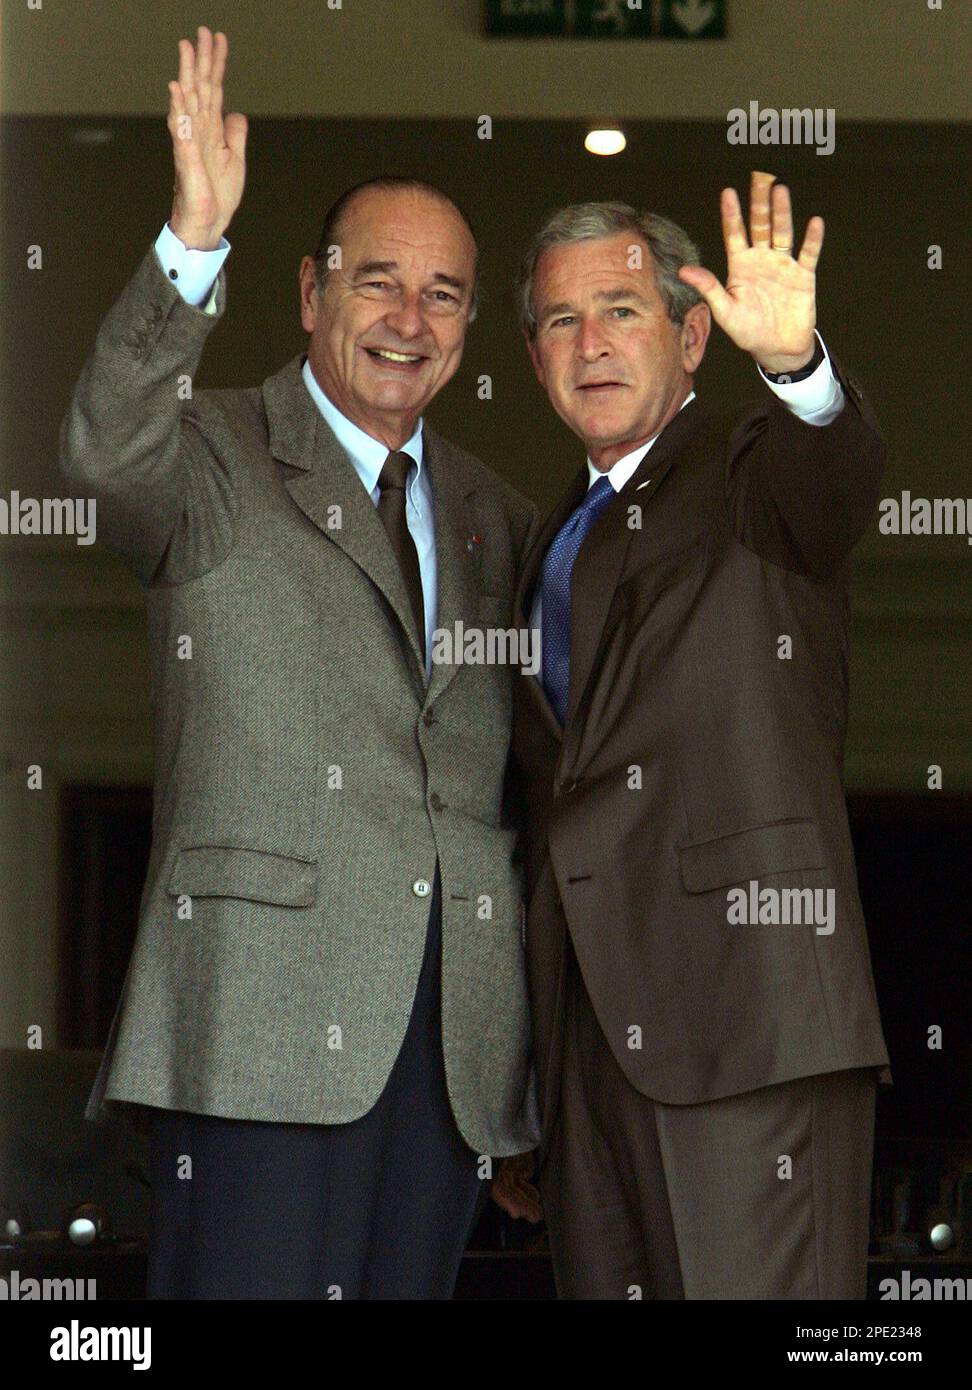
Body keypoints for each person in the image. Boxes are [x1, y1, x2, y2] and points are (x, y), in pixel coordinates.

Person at [60, 25, 540, 1300]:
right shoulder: (209, 453)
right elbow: (104, 451)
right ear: (309, 291)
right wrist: (189, 241)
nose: (407, 317)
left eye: (443, 294)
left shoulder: (495, 512)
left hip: (449, 1048)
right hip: (258, 1021)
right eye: (376, 280)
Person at [509, 174, 891, 1298]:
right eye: (561, 321)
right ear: (533, 361)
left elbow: (836, 471)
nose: (590, 342)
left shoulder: (749, 474)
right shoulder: (542, 544)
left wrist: (796, 368)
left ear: (689, 337)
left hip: (750, 1029)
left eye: (622, 310)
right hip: (588, 1061)